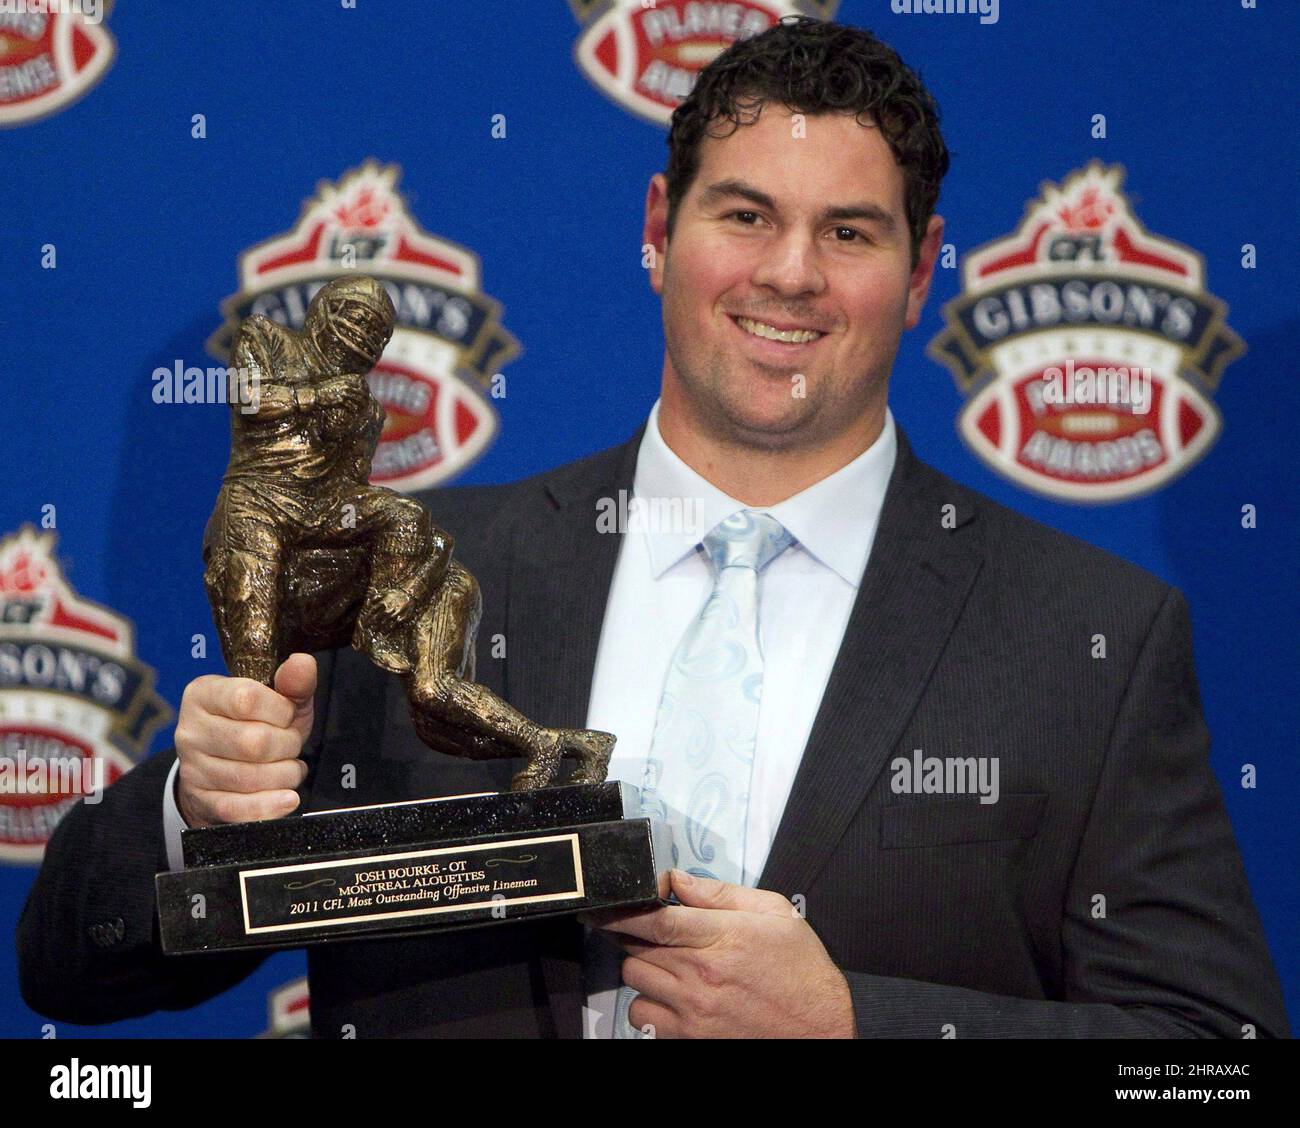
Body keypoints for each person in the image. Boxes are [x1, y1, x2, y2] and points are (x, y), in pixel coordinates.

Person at [17, 16, 1290, 1038]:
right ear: (653, 234)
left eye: (848, 232)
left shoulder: (1090, 638)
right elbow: (71, 974)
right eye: (744, 215)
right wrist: (201, 805)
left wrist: (855, 1025)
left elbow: (1209, 1058)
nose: (790, 272)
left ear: (919, 272)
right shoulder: (404, 565)